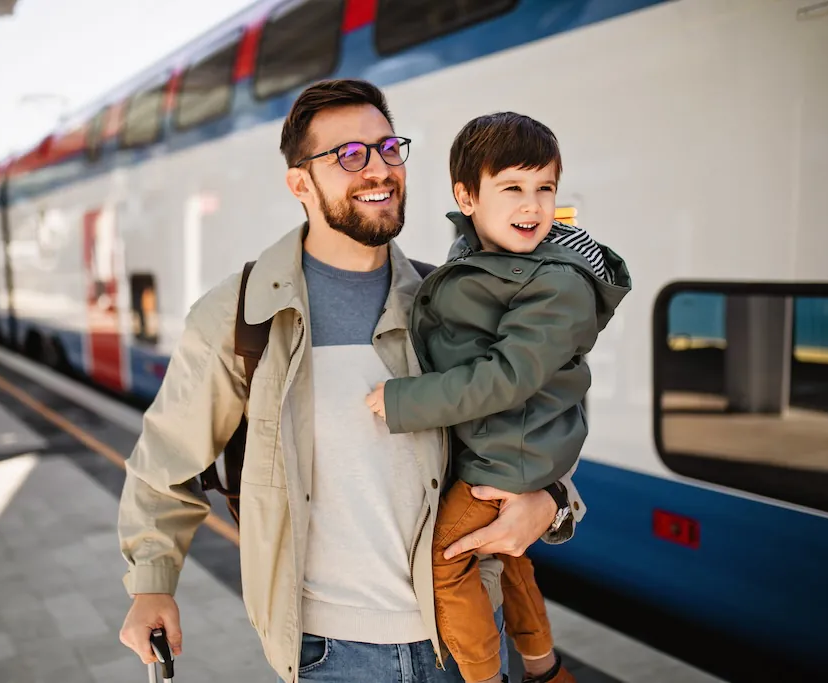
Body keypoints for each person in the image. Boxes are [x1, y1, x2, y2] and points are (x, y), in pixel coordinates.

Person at [117, 79, 586, 683]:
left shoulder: (449, 299)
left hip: (465, 639)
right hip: (332, 654)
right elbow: (164, 464)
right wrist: (151, 584)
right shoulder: (242, 315)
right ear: (300, 184)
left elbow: (542, 406)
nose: (379, 170)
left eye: (389, 148)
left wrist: (549, 502)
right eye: (349, 155)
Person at [365, 113, 631, 683]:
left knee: (446, 562)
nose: (533, 206)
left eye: (544, 189)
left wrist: (405, 402)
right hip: (508, 443)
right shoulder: (494, 261)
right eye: (513, 188)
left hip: (504, 451)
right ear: (467, 196)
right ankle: (544, 666)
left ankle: (486, 677)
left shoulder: (555, 283)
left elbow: (505, 377)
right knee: (508, 555)